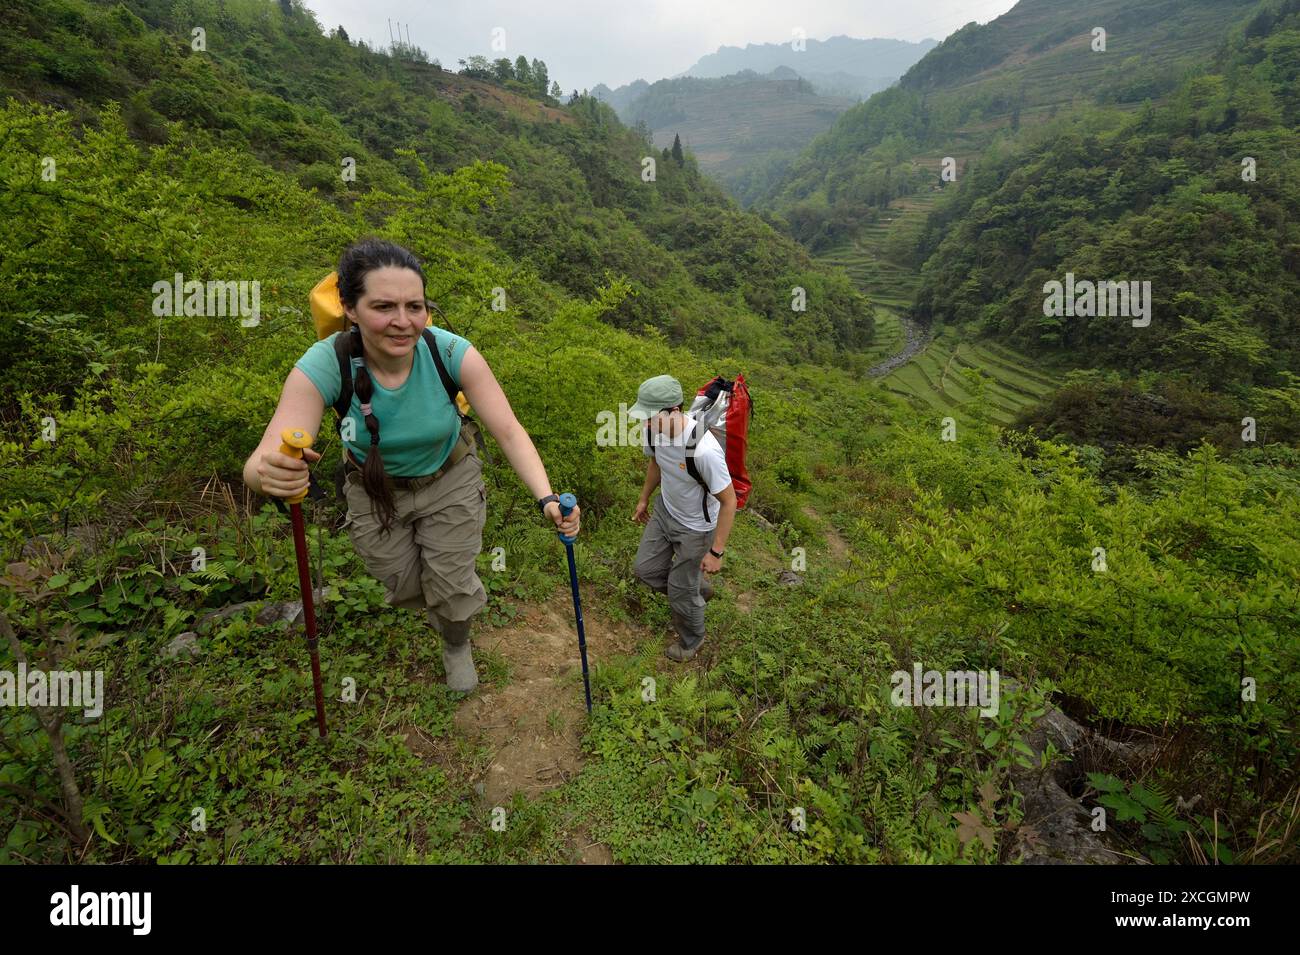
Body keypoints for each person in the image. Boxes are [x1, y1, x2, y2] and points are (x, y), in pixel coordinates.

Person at [242, 238, 579, 693]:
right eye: (384, 306)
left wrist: (546, 498)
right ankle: (440, 609)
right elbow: (266, 455)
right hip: (374, 487)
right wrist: (269, 472)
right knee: (399, 582)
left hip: (451, 477)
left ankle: (456, 641)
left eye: (414, 306)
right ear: (350, 308)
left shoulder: (451, 352)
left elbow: (509, 431)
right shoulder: (326, 363)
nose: (403, 322)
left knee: (453, 585)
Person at [629, 375, 735, 661]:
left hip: (696, 529)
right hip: (665, 511)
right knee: (645, 570)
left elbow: (729, 502)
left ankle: (692, 641)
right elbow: (656, 463)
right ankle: (695, 590)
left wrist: (716, 552)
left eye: (651, 417)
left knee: (679, 590)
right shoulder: (653, 431)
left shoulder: (704, 450)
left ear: (674, 411)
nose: (646, 424)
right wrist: (643, 499)